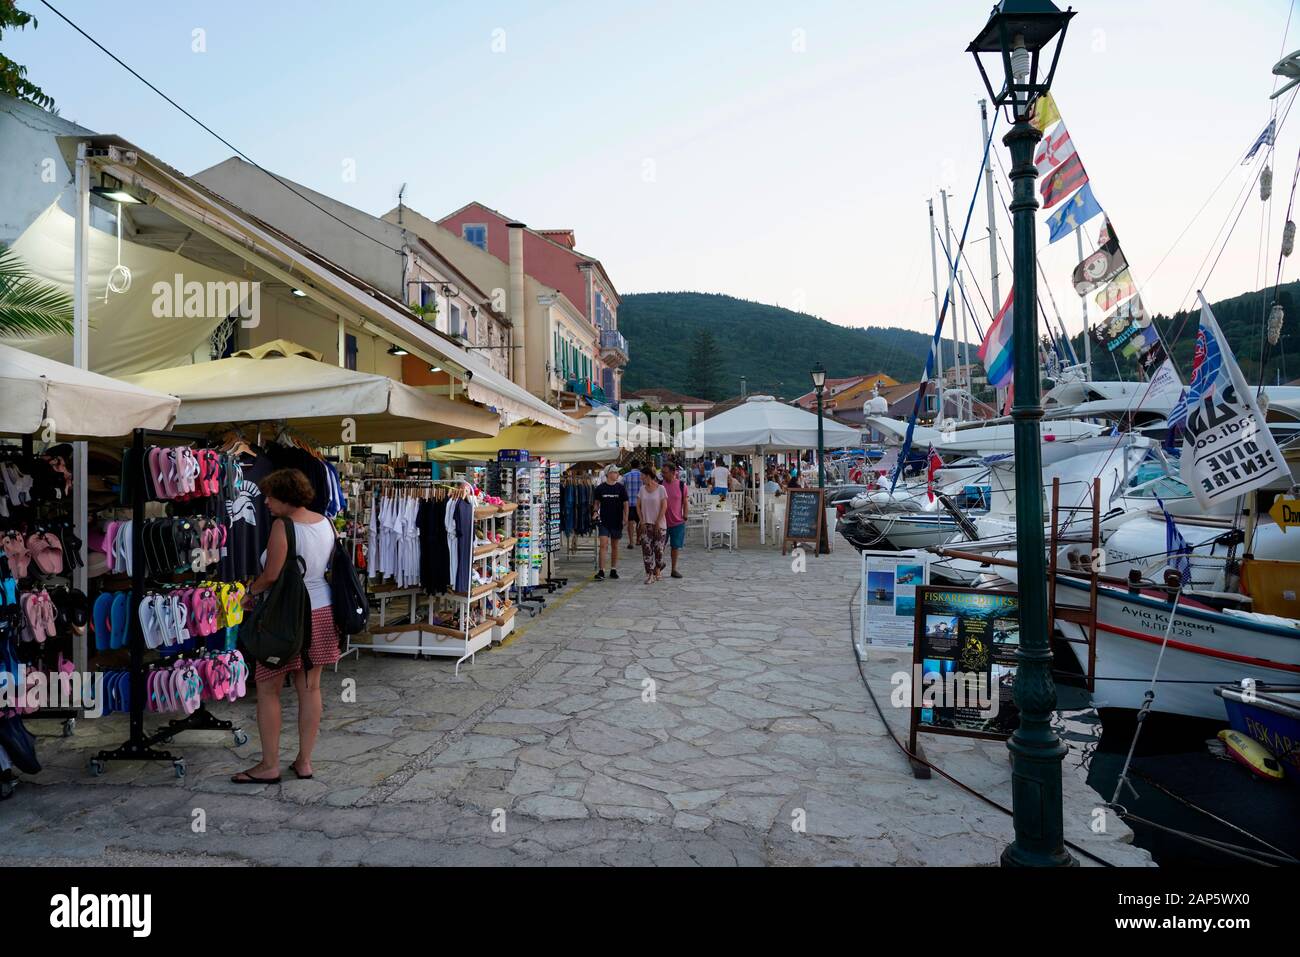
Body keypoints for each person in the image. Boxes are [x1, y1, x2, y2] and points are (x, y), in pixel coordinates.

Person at [232, 468, 340, 784]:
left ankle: (269, 765)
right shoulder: (326, 523)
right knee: (310, 688)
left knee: (268, 688)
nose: (265, 502)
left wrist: (247, 594)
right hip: (322, 610)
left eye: (270, 496)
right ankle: (304, 762)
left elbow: (271, 576)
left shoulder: (284, 527)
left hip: (286, 617)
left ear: (285, 497)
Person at [593, 465, 628, 581]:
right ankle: (601, 570)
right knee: (603, 545)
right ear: (608, 474)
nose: (617, 474)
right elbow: (596, 503)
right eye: (614, 472)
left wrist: (625, 517)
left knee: (615, 546)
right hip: (604, 521)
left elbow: (625, 504)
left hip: (617, 520)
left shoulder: (621, 488)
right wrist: (595, 512)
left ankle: (613, 569)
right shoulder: (600, 488)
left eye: (617, 472)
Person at [637, 466, 667, 584]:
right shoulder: (642, 490)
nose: (640, 478)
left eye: (642, 476)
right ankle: (649, 574)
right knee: (647, 551)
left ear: (648, 476)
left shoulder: (661, 489)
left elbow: (664, 506)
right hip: (646, 524)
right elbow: (638, 506)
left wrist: (658, 522)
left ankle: (659, 566)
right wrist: (642, 520)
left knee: (659, 550)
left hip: (659, 525)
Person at [661, 461, 689, 579]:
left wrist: (685, 515)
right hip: (662, 521)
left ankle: (673, 569)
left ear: (673, 473)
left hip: (677, 522)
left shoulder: (682, 485)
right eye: (662, 472)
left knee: (675, 546)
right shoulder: (660, 485)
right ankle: (659, 566)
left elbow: (685, 502)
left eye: (665, 472)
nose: (663, 474)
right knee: (659, 546)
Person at [622, 463, 642, 549]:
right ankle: (638, 539)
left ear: (631, 466)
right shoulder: (642, 475)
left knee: (630, 522)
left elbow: (622, 488)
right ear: (639, 466)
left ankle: (631, 542)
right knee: (639, 522)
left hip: (629, 503)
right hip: (640, 503)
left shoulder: (626, 476)